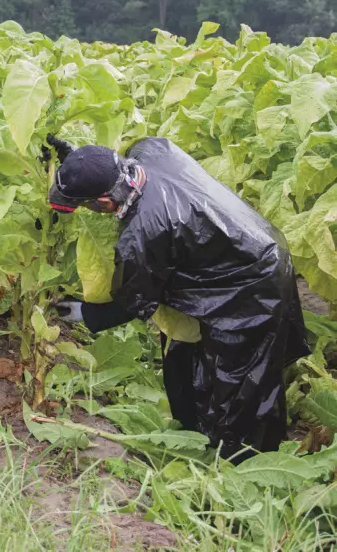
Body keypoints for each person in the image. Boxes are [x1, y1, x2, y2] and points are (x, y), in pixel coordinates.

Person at [46, 134, 310, 461]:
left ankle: (247, 469)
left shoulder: (142, 233)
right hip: (249, 242)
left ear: (104, 203)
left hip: (253, 287)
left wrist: (86, 314)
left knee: (241, 390)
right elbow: (100, 166)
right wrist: (76, 163)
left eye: (86, 204)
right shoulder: (149, 151)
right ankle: (196, 437)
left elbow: (134, 300)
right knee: (186, 364)